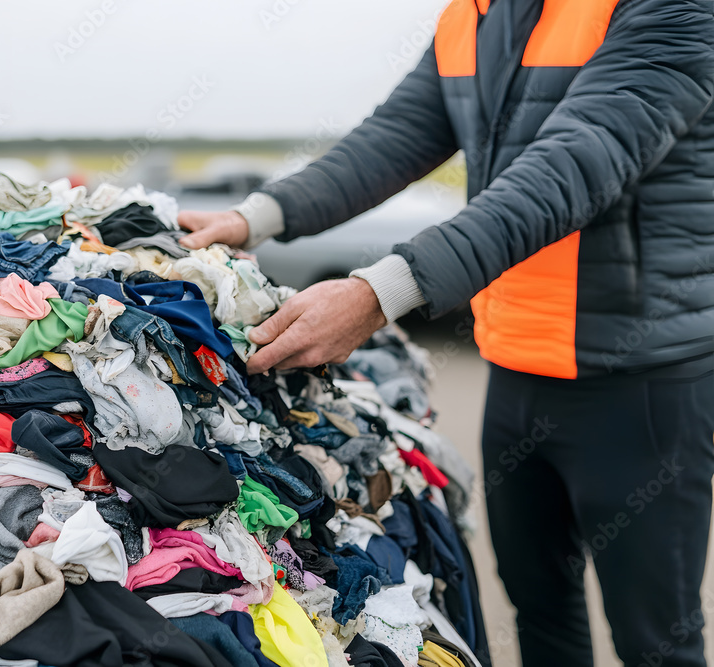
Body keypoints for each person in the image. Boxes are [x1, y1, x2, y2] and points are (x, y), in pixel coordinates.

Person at [177, 1, 714, 666]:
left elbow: (575, 163)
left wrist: (381, 291)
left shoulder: (672, 10)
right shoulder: (476, 14)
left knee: (657, 636)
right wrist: (251, 216)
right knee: (538, 610)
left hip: (641, 383)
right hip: (517, 368)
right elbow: (395, 137)